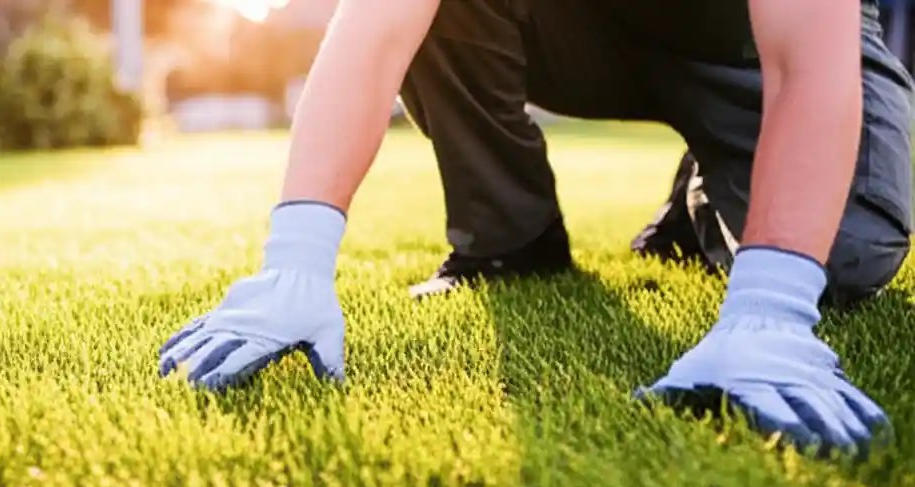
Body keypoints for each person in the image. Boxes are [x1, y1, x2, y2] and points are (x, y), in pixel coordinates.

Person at [158, 0, 913, 454]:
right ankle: (509, 239)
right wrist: (295, 261)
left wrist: (772, 310)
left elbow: (806, 66)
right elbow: (376, 29)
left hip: (742, 43)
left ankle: (708, 191)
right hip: (584, 25)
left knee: (845, 252)